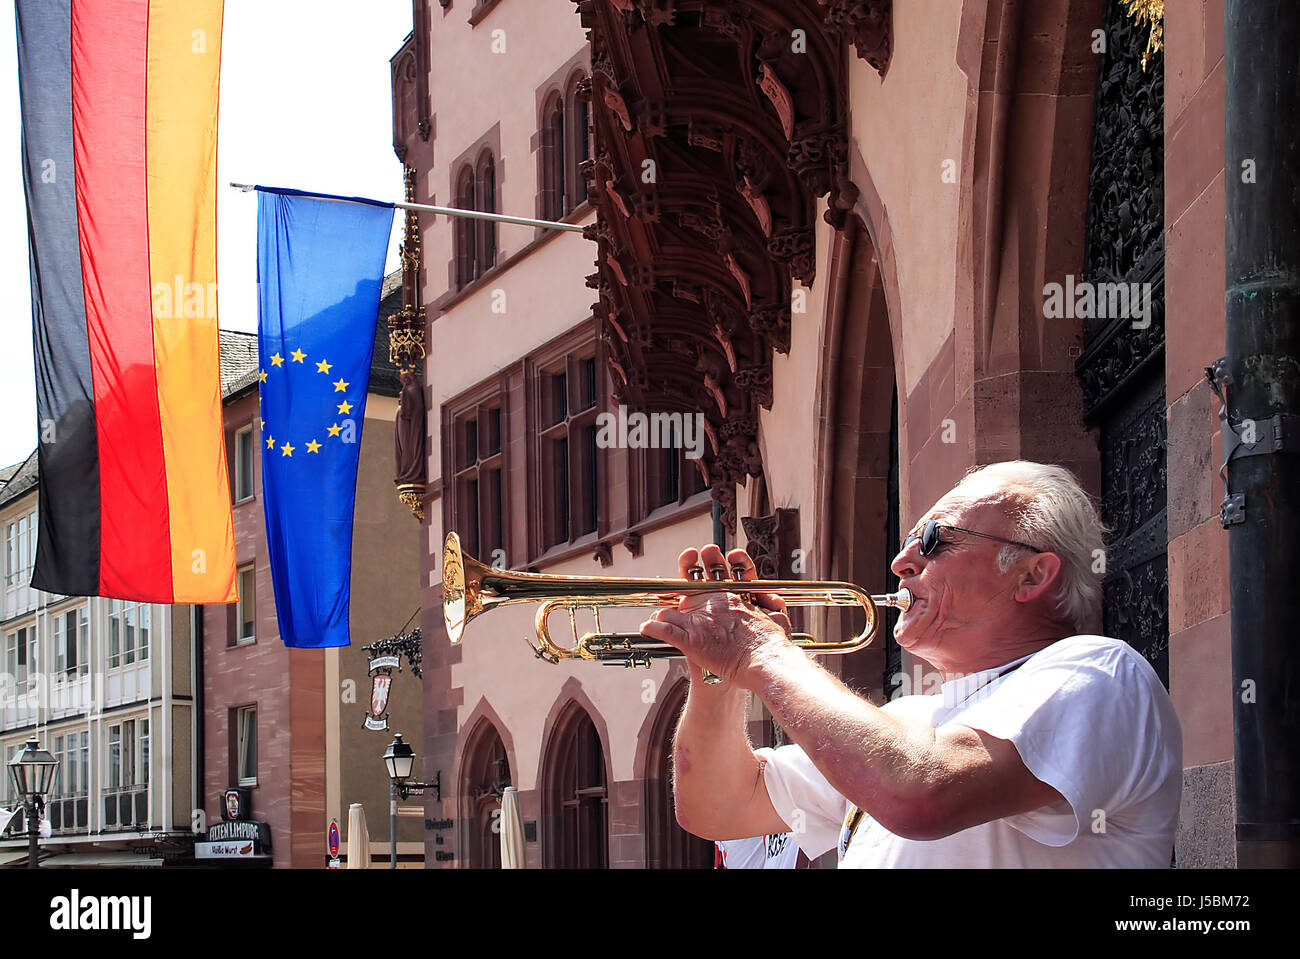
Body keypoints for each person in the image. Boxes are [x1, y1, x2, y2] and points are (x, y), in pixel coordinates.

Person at [640, 461, 1182, 867]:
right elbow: (718, 809)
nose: (902, 561)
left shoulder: (1098, 672)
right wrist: (715, 676)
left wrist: (762, 653)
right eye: (906, 543)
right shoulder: (910, 721)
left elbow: (922, 792)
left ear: (1032, 575)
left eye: (933, 541)